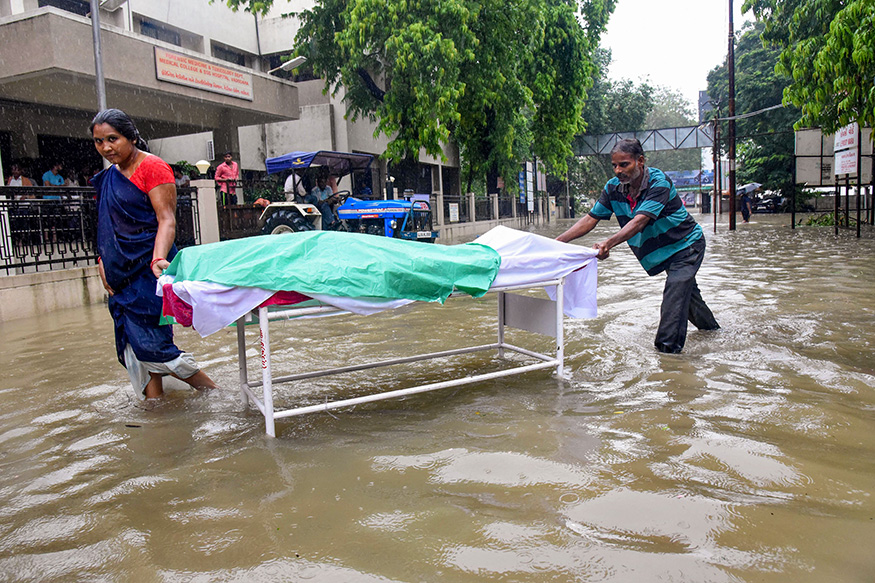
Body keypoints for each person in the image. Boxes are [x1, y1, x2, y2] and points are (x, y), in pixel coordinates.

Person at [89, 108, 217, 400]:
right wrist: (101, 261)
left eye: (113, 138)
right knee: (133, 344)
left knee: (153, 345)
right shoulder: (110, 177)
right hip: (118, 277)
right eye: (99, 141)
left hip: (148, 271)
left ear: (131, 137)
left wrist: (158, 258)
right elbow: (105, 225)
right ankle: (155, 406)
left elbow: (166, 219)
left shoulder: (153, 167)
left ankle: (215, 393)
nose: (106, 147)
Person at [556, 138, 719, 353]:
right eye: (614, 165)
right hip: (663, 251)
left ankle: (667, 355)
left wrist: (609, 243)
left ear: (640, 161)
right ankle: (713, 333)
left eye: (624, 164)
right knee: (687, 298)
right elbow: (590, 219)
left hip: (686, 245)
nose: (618, 170)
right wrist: (557, 242)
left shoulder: (658, 182)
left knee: (675, 293)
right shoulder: (613, 188)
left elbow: (640, 221)